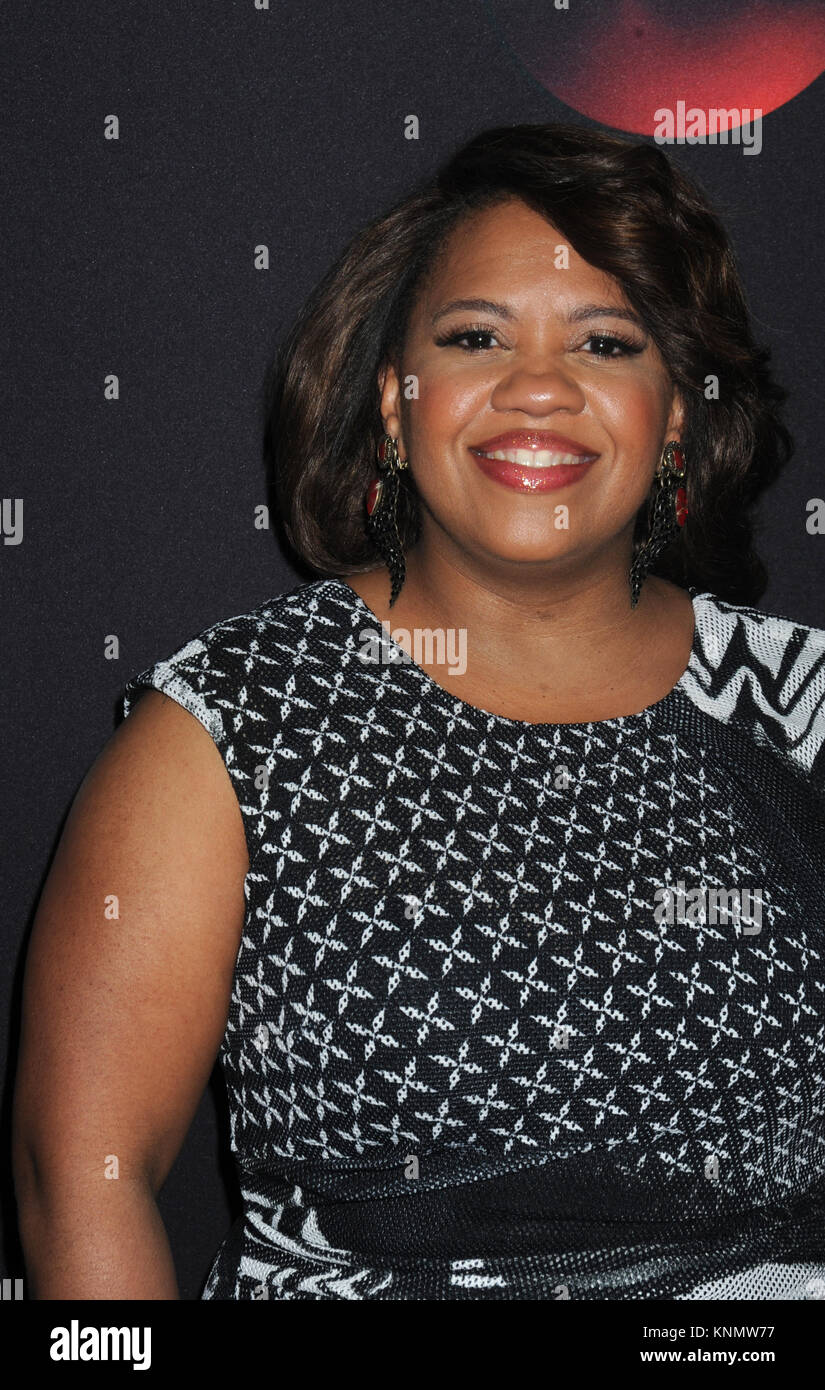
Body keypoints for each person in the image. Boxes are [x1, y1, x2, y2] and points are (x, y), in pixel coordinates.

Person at [13, 123, 825, 1301]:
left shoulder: (802, 714)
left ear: (680, 417)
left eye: (606, 342)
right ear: (396, 404)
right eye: (475, 336)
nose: (538, 387)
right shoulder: (235, 727)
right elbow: (77, 1182)